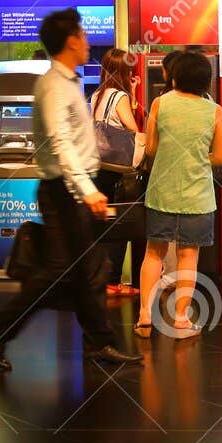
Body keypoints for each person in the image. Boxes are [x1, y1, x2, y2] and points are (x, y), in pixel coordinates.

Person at [0, 9, 140, 372]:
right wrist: (86, 189)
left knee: (90, 269)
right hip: (62, 192)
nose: (87, 41)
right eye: (82, 35)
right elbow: (60, 141)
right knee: (58, 273)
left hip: (72, 189)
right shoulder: (53, 86)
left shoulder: (68, 83)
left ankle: (98, 341)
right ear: (71, 41)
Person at [136, 51, 222, 339]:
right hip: (198, 195)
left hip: (162, 191)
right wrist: (196, 158)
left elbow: (151, 149)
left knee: (154, 253)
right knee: (188, 254)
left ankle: (145, 316)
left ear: (175, 77)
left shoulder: (160, 103)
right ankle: (181, 319)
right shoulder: (214, 111)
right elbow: (220, 157)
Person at [91, 48, 143, 297]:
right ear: (123, 71)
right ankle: (114, 281)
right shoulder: (119, 96)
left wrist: (131, 94)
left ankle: (104, 279)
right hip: (118, 169)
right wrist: (131, 98)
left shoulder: (97, 95)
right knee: (121, 224)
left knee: (105, 223)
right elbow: (132, 130)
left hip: (100, 168)